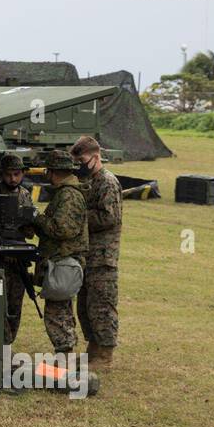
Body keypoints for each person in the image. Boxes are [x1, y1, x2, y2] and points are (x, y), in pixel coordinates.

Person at [30, 150, 88, 353]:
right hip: (61, 262)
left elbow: (62, 229)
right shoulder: (65, 193)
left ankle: (65, 355)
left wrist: (37, 217)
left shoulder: (69, 195)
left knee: (57, 312)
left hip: (63, 262)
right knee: (61, 310)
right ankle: (66, 353)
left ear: (52, 171)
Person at [71, 135, 122, 364]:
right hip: (87, 254)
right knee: (85, 305)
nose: (79, 164)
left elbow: (109, 217)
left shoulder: (107, 182)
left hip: (103, 257)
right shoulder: (88, 180)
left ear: (95, 157)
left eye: (81, 159)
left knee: (102, 305)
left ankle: (104, 353)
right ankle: (93, 347)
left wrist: (78, 218)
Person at [0, 153, 34, 343]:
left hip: (19, 258)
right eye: (9, 174)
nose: (13, 179)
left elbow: (29, 230)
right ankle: (2, 342)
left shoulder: (25, 195)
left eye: (17, 174)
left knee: (16, 303)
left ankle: (9, 342)